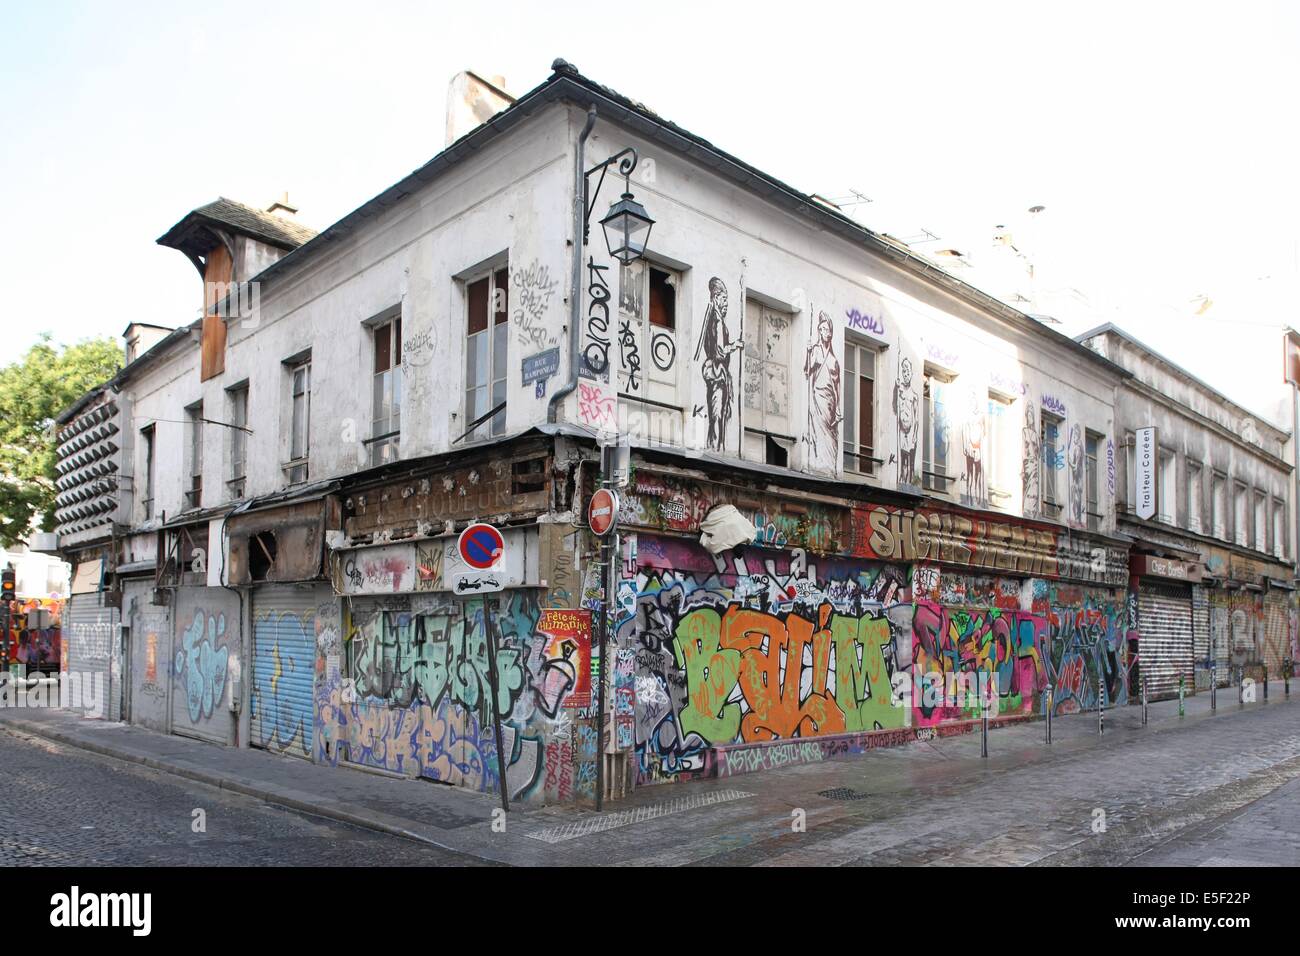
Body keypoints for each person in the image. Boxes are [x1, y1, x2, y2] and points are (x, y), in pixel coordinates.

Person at [696, 277, 743, 451]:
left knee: (720, 411)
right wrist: (736, 345)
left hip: (716, 371)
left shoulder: (714, 318)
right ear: (716, 298)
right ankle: (716, 446)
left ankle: (717, 444)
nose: (726, 305)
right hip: (717, 371)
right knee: (718, 412)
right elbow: (720, 349)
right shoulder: (716, 320)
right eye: (724, 300)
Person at [804, 311, 842, 465]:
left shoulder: (833, 359)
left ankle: (830, 467)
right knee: (820, 437)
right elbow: (807, 370)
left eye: (828, 330)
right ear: (819, 331)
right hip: (818, 402)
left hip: (831, 405)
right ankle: (820, 464)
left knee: (832, 440)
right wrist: (808, 352)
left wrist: (838, 408)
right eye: (823, 329)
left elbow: (837, 386)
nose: (826, 332)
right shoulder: (815, 350)